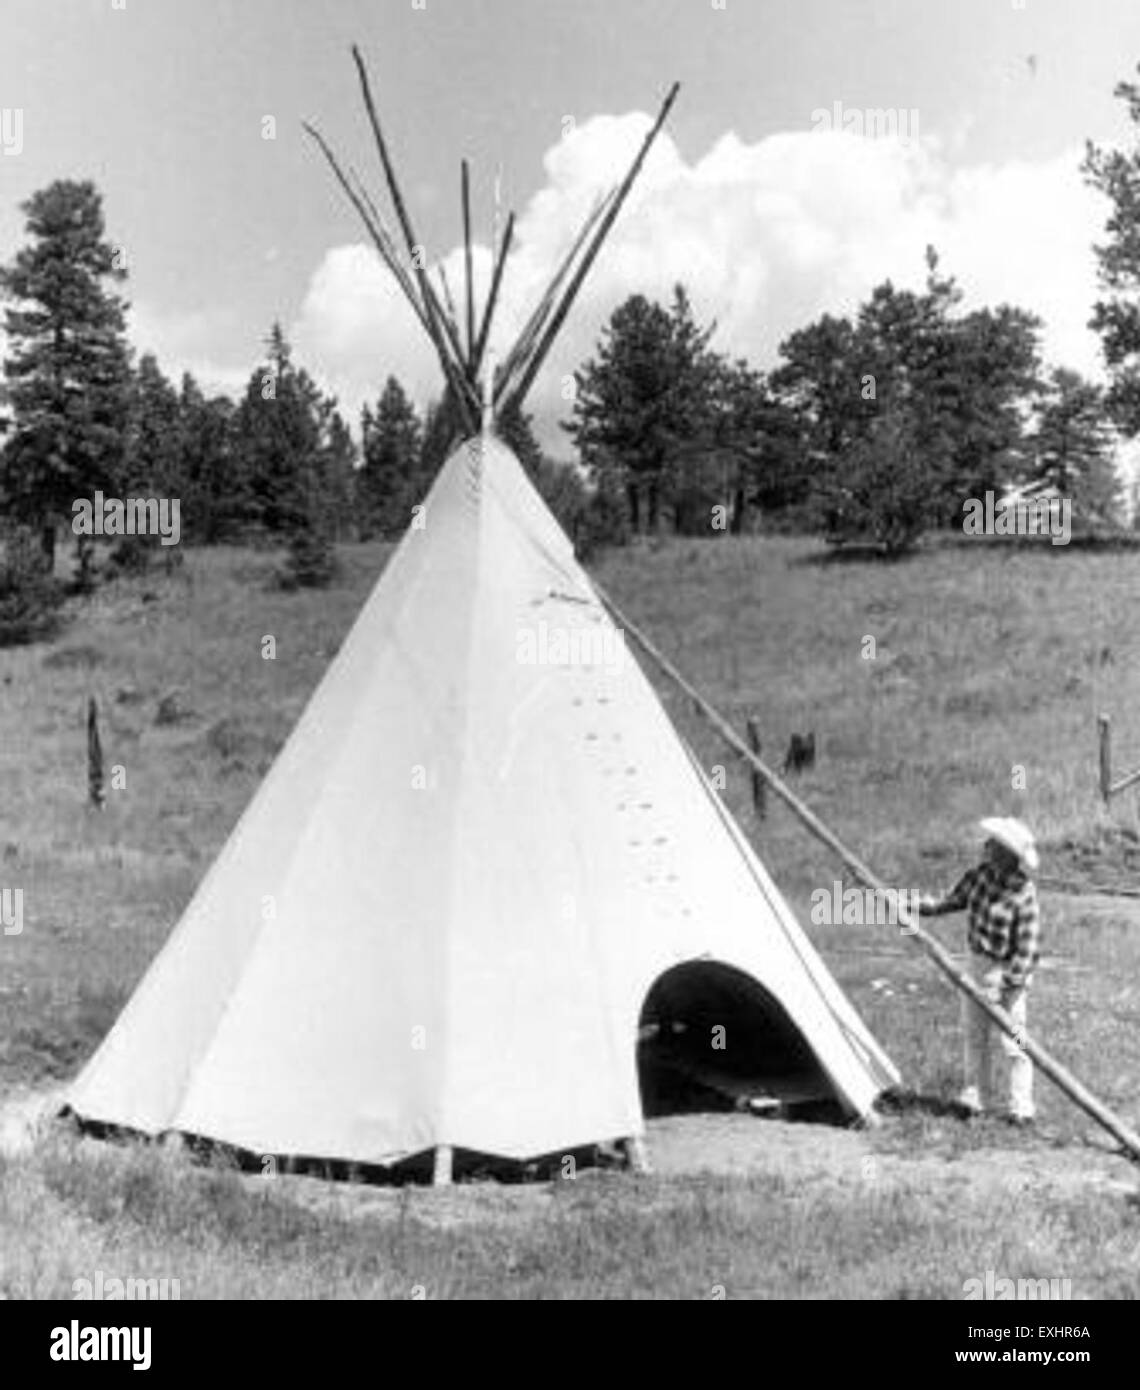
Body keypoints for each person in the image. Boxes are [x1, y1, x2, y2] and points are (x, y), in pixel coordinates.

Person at [918, 817, 1040, 1125]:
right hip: (976, 965)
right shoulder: (978, 877)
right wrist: (907, 903)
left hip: (1008, 972)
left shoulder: (1024, 893)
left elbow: (1027, 948)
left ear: (1009, 855)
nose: (986, 847)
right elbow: (945, 903)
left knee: (1017, 1042)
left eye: (994, 844)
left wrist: (1008, 983)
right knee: (974, 1036)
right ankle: (976, 1100)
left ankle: (1022, 1109)